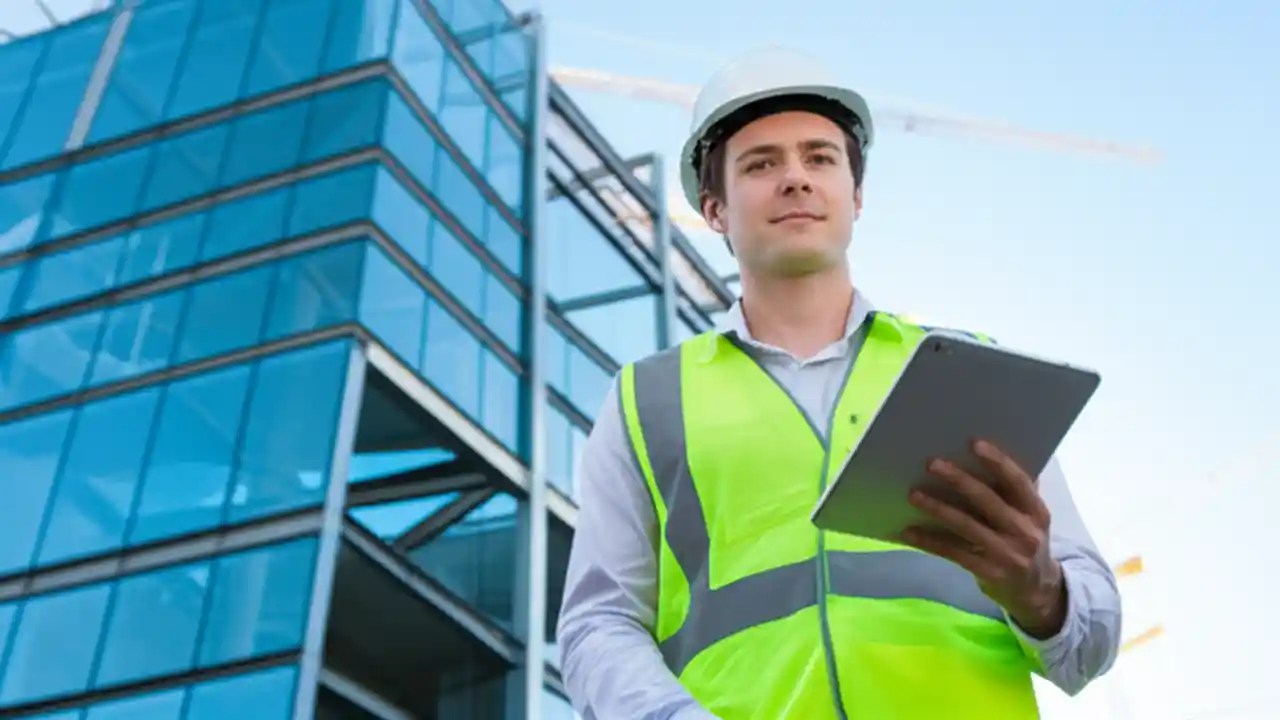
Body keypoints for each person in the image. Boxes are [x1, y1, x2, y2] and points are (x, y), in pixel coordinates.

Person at [556, 46, 1121, 720]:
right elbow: (598, 626)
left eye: (819, 158)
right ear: (713, 209)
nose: (795, 179)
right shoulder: (647, 400)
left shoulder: (968, 373)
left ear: (856, 197)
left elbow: (1092, 643)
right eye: (761, 164)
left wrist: (1042, 596)